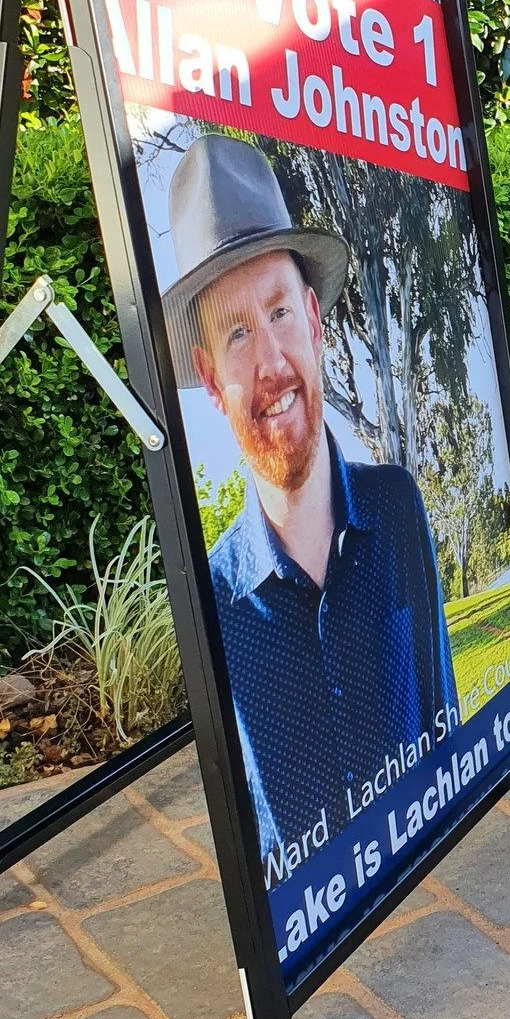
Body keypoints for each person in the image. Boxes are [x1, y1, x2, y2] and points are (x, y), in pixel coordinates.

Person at [160, 132, 457, 864]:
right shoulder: (216, 604)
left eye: (280, 314)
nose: (270, 362)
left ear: (316, 322)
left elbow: (446, 726)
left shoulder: (397, 511)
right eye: (236, 333)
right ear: (208, 378)